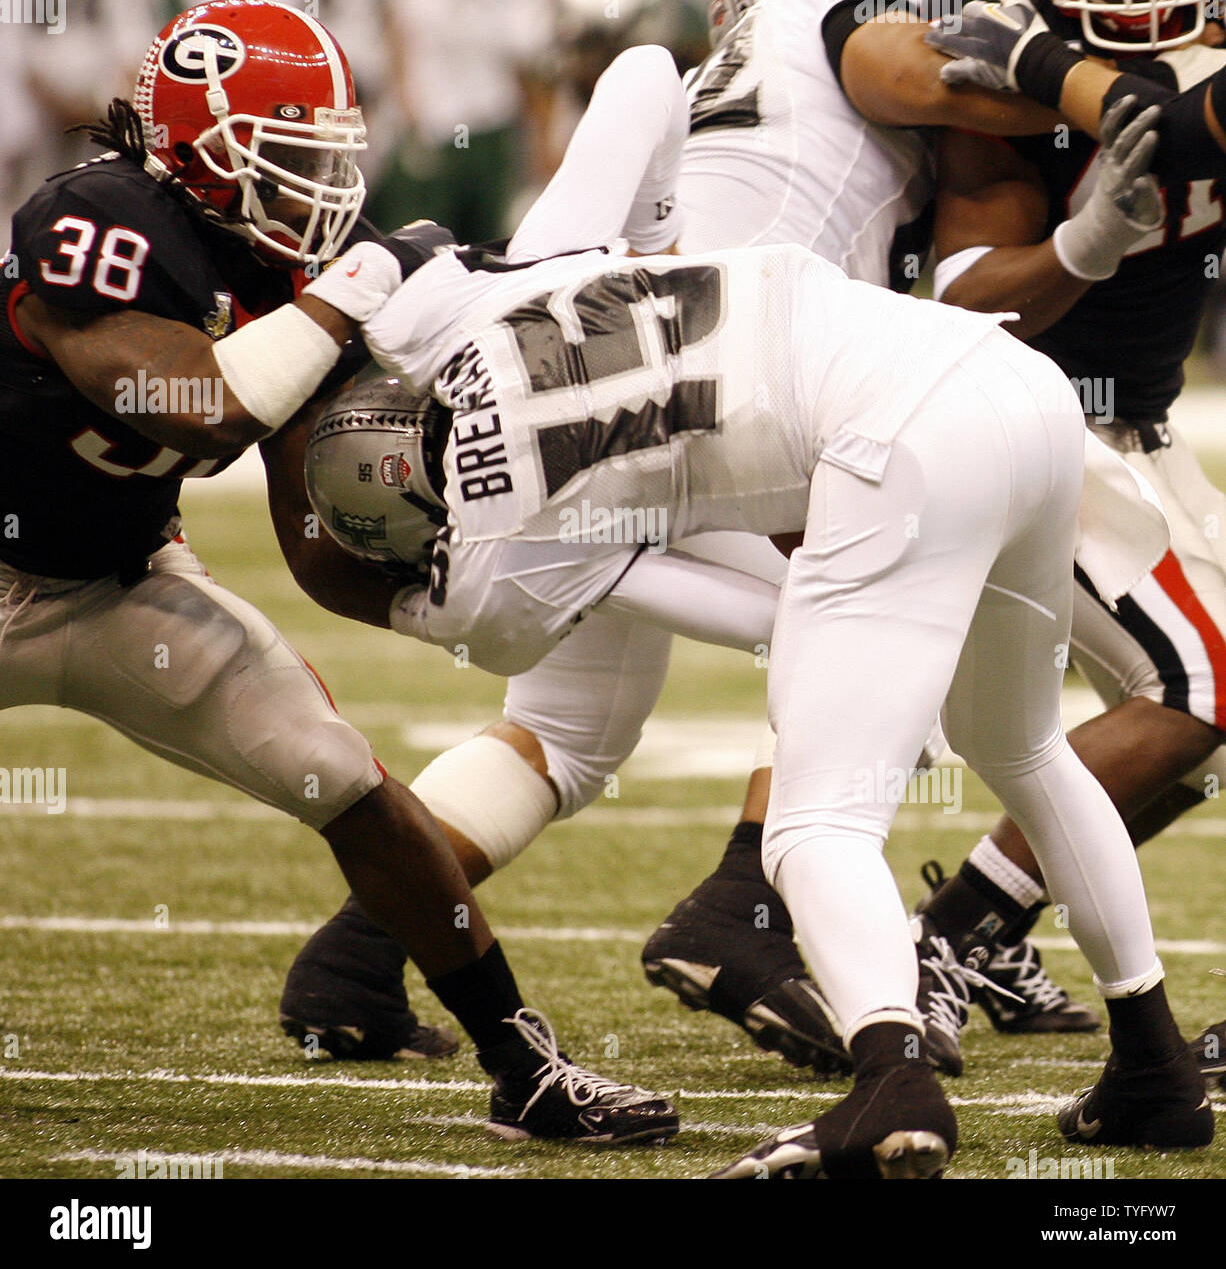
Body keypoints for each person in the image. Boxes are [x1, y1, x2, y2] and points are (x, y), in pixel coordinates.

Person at [266, 89, 1212, 1175]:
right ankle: (1151, 1063)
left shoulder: (495, 561)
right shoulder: (527, 267)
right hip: (1004, 383)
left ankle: (889, 1083)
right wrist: (641, 243)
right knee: (1027, 748)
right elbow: (636, 79)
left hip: (893, 442)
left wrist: (397, 592)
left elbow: (741, 611)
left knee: (812, 825)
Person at [0, 0, 678, 1148]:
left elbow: (301, 526)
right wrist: (348, 291)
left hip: (122, 583)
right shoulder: (95, 215)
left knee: (348, 783)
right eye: (287, 151)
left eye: (328, 150)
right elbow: (191, 403)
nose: (318, 181)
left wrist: (433, 605)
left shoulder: (292, 273)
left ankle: (521, 1064)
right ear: (199, 149)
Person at [892, 0, 1226, 1077]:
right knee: (1197, 682)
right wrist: (1078, 251)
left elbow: (1180, 130)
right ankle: (938, 940)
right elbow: (961, 296)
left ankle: (980, 927)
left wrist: (1065, 77)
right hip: (1020, 416)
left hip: (1141, 424)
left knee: (1208, 721)